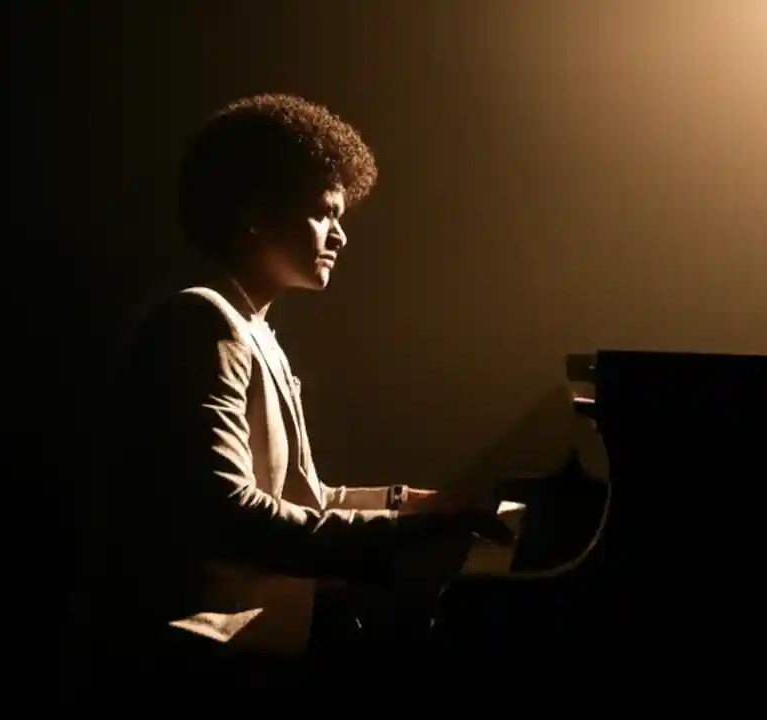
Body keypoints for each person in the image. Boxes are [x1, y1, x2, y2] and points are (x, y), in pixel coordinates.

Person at [79, 94, 511, 692]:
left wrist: (405, 502)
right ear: (255, 213)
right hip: (188, 662)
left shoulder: (253, 329)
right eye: (321, 212)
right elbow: (229, 518)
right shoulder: (203, 324)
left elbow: (302, 496)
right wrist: (405, 539)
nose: (338, 234)